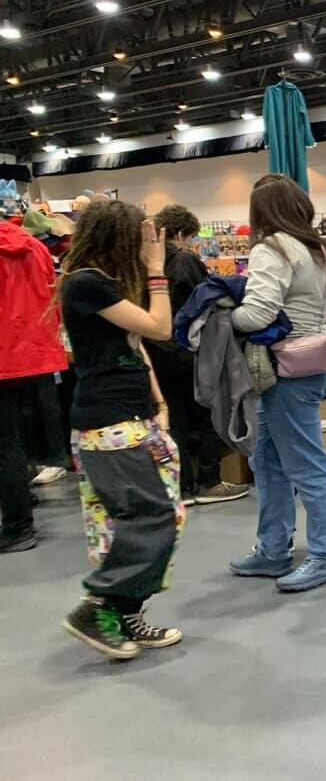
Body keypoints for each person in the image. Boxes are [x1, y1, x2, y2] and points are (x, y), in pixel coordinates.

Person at [57, 201, 184, 659]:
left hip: (133, 418)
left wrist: (159, 403)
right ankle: (98, 606)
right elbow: (159, 328)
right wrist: (156, 271)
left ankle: (126, 611)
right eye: (142, 237)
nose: (148, 245)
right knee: (148, 517)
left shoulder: (103, 285)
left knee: (162, 515)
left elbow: (136, 348)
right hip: (108, 423)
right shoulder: (85, 284)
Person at [228, 175, 326, 593]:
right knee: (269, 459)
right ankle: (274, 548)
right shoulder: (316, 250)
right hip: (318, 357)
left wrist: (224, 316)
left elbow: (258, 314)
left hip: (290, 367)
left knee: (304, 463)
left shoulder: (272, 248)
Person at [145, 205, 242, 506]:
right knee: (211, 411)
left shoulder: (146, 261)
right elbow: (206, 299)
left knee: (174, 419)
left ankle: (183, 484)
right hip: (189, 349)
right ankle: (209, 480)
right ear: (181, 233)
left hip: (155, 349)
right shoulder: (186, 260)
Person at [0, 219, 69, 553]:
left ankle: (17, 524)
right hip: (35, 353)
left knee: (4, 442)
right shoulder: (35, 246)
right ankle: (19, 499)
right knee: (18, 434)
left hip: (5, 356)